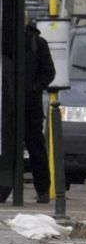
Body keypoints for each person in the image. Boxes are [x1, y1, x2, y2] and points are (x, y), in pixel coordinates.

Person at [1, 21, 58, 203]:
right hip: (13, 103)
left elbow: (48, 72)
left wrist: (34, 88)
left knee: (32, 147)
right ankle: (8, 190)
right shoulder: (33, 42)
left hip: (26, 104)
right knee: (26, 146)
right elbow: (48, 72)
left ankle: (41, 190)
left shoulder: (37, 43)